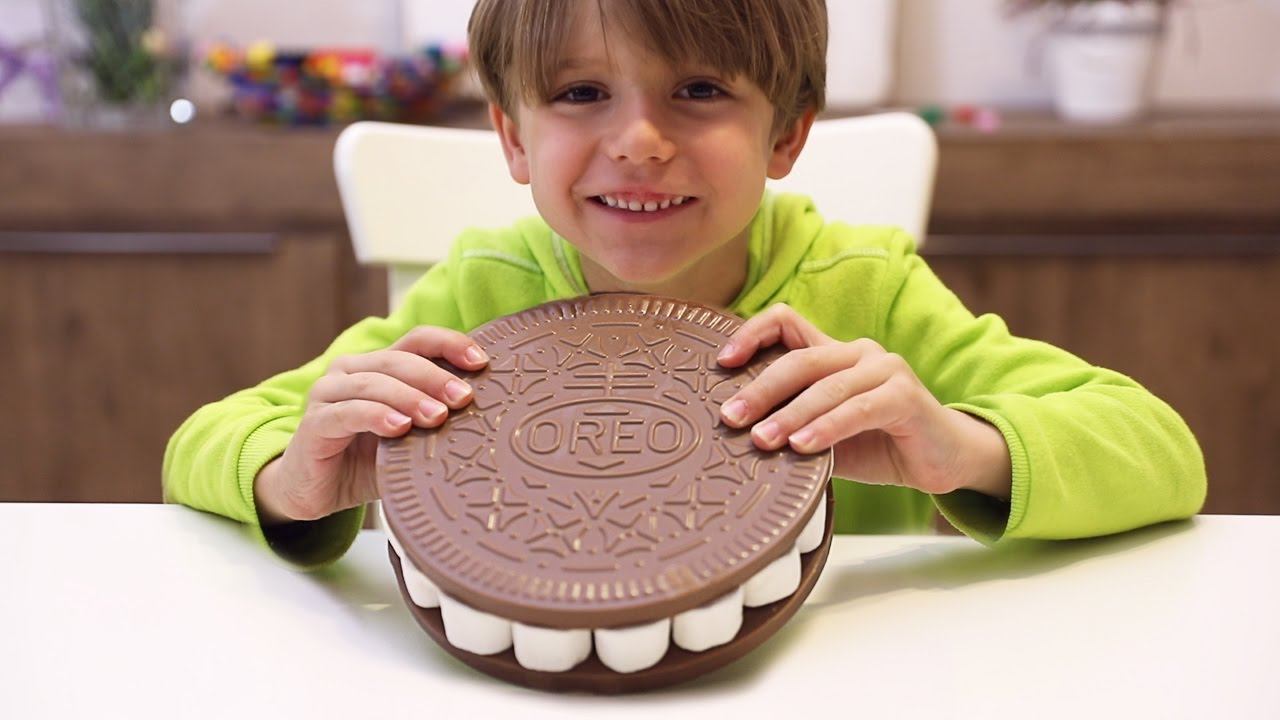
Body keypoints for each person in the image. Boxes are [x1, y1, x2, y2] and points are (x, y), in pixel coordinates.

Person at [164, 0, 1206, 569]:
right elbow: (200, 442)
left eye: (699, 91)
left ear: (786, 134)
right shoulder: (481, 289)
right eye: (580, 93)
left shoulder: (865, 288)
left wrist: (956, 447)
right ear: (513, 138)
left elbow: (1161, 453)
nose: (639, 141)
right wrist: (291, 478)